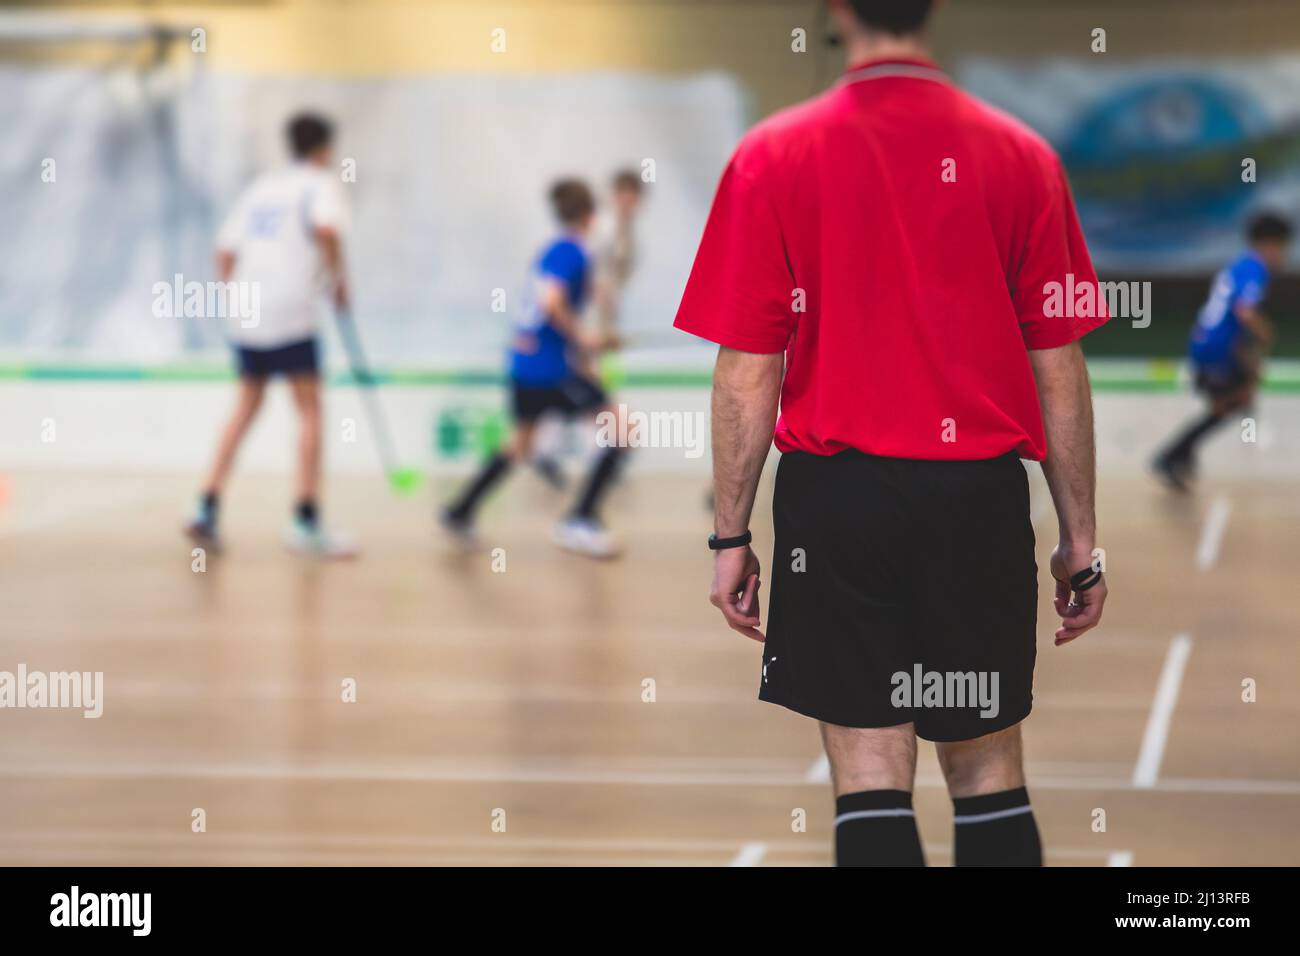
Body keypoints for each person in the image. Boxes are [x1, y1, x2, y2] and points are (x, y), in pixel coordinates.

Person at [674, 0, 1109, 866]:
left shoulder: (773, 155)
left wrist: (731, 534)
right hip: (976, 500)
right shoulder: (1022, 156)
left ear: (837, 11)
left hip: (838, 506)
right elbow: (1056, 365)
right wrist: (1081, 540)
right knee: (988, 775)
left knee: (871, 772)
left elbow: (746, 372)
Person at [185, 112, 355, 558]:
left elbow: (224, 251)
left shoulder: (262, 188)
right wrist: (338, 280)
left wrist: (237, 298)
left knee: (245, 405)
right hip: (291, 314)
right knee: (310, 408)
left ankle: (206, 503)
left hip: (249, 314)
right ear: (324, 149)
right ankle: (306, 518)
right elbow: (326, 229)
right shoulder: (321, 185)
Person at [442, 179, 626, 558]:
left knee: (520, 443)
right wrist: (586, 339)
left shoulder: (552, 251)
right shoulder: (571, 252)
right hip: (548, 370)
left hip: (527, 366)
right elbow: (550, 302)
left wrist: (585, 348)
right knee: (622, 431)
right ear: (591, 216)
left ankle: (460, 511)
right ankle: (580, 521)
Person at [1153, 212, 1292, 490]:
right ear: (1271, 244)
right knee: (1233, 402)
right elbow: (1244, 311)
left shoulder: (1241, 265)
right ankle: (1172, 455)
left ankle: (1180, 454)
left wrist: (1250, 357)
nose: (1284, 256)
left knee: (1236, 401)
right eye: (1284, 247)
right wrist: (1266, 334)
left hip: (1211, 343)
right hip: (1215, 347)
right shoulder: (1255, 268)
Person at [530, 168, 646, 490]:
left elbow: (612, 285)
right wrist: (585, 331)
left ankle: (560, 454)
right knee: (588, 392)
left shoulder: (629, 236)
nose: (628, 202)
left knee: (582, 394)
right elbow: (579, 284)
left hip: (597, 325)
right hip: (583, 326)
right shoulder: (596, 233)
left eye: (634, 196)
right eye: (623, 194)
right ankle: (587, 458)